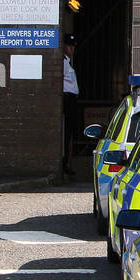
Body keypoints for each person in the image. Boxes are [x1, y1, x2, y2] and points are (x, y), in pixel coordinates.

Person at [61, 33, 79, 177]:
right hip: (67, 99)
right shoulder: (62, 62)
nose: (72, 48)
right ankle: (63, 163)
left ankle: (66, 162)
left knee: (70, 131)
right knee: (66, 132)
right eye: (69, 45)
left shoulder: (66, 61)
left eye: (72, 46)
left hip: (71, 99)